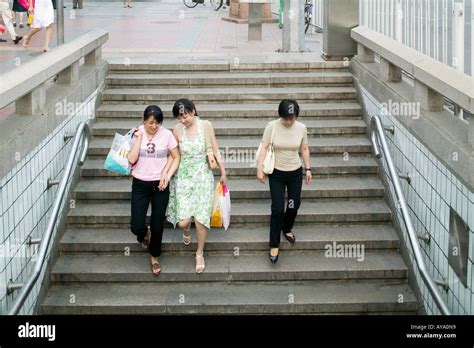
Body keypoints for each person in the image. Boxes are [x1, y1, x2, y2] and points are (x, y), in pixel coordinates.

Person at [166, 98, 227, 274]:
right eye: (179, 118)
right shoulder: (176, 130)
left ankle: (199, 252)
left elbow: (215, 150)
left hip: (202, 177)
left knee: (201, 220)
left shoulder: (206, 126)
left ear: (192, 111)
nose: (183, 120)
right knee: (182, 221)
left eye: (185, 116)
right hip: (184, 177)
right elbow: (173, 155)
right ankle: (186, 231)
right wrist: (166, 174)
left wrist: (223, 172)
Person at [256, 99, 312, 264]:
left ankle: (286, 228)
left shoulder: (301, 128)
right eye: (286, 118)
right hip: (277, 173)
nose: (289, 121)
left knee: (294, 205)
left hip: (295, 172)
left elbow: (304, 149)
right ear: (280, 115)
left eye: (292, 117)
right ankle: (274, 244)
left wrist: (308, 169)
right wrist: (259, 168)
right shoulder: (271, 126)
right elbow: (264, 147)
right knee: (277, 209)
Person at [128, 105, 180, 276]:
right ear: (144, 120)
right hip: (140, 183)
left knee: (158, 224)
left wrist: (167, 175)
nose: (154, 126)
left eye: (157, 123)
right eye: (150, 122)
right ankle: (144, 233)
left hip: (160, 184)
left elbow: (176, 156)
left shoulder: (167, 135)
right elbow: (131, 158)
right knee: (136, 226)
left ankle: (154, 256)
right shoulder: (136, 133)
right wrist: (139, 138)